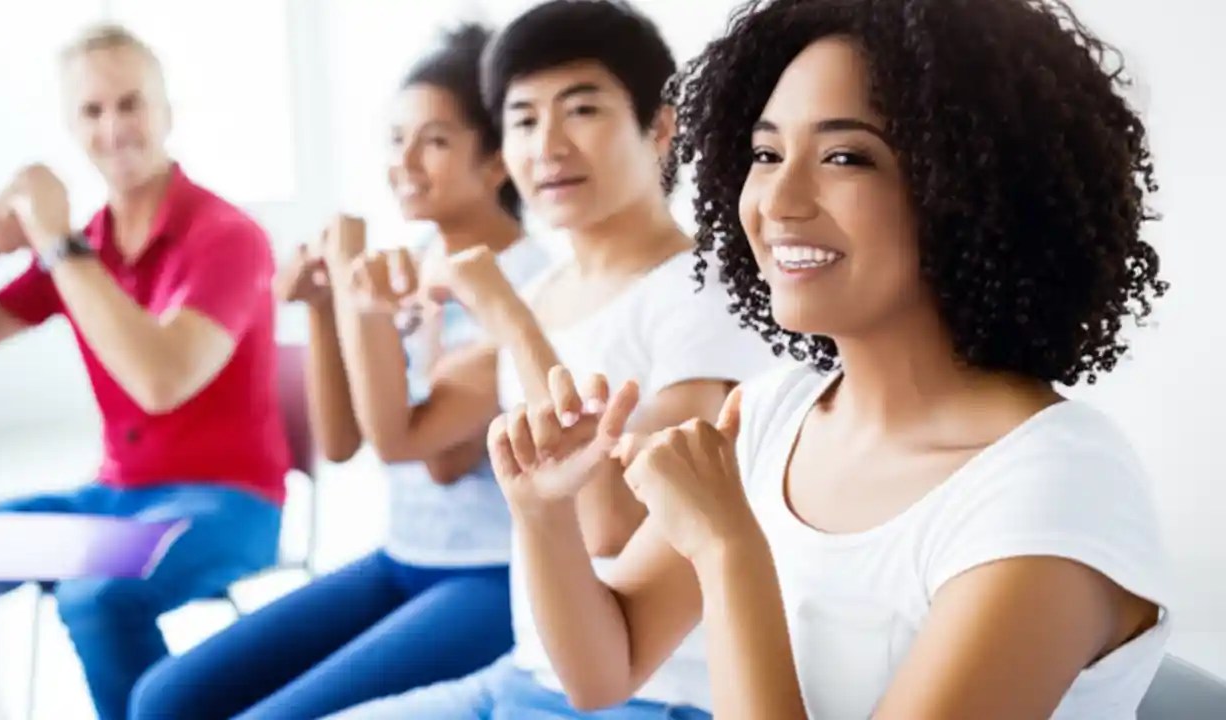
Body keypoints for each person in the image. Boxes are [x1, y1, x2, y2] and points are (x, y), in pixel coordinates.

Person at [483, 0, 1174, 718]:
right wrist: (544, 513)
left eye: (846, 156)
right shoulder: (775, 413)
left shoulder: (1054, 485)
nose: (778, 201)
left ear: (970, 190)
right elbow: (605, 669)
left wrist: (728, 551)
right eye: (765, 154)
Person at [329, 2, 782, 718]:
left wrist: (510, 319)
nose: (548, 146)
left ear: (660, 127)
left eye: (581, 110)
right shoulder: (546, 290)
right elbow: (403, 438)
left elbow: (617, 525)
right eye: (523, 118)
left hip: (651, 695)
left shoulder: (708, 296)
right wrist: (361, 309)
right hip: (527, 672)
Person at [128, 24, 550, 720]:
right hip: (402, 557)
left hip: (488, 578)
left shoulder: (529, 286)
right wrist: (326, 311)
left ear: (497, 161)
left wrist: (363, 305)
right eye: (395, 139)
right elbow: (343, 440)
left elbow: (431, 456)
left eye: (435, 140)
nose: (405, 161)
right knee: (162, 698)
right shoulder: (408, 261)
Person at [0, 24, 287, 720]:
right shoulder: (88, 248)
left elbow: (161, 381)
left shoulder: (226, 237)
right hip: (114, 499)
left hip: (229, 503)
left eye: (131, 103)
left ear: (167, 111)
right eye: (92, 111)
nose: (114, 127)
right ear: (72, 125)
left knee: (94, 595)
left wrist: (57, 242)